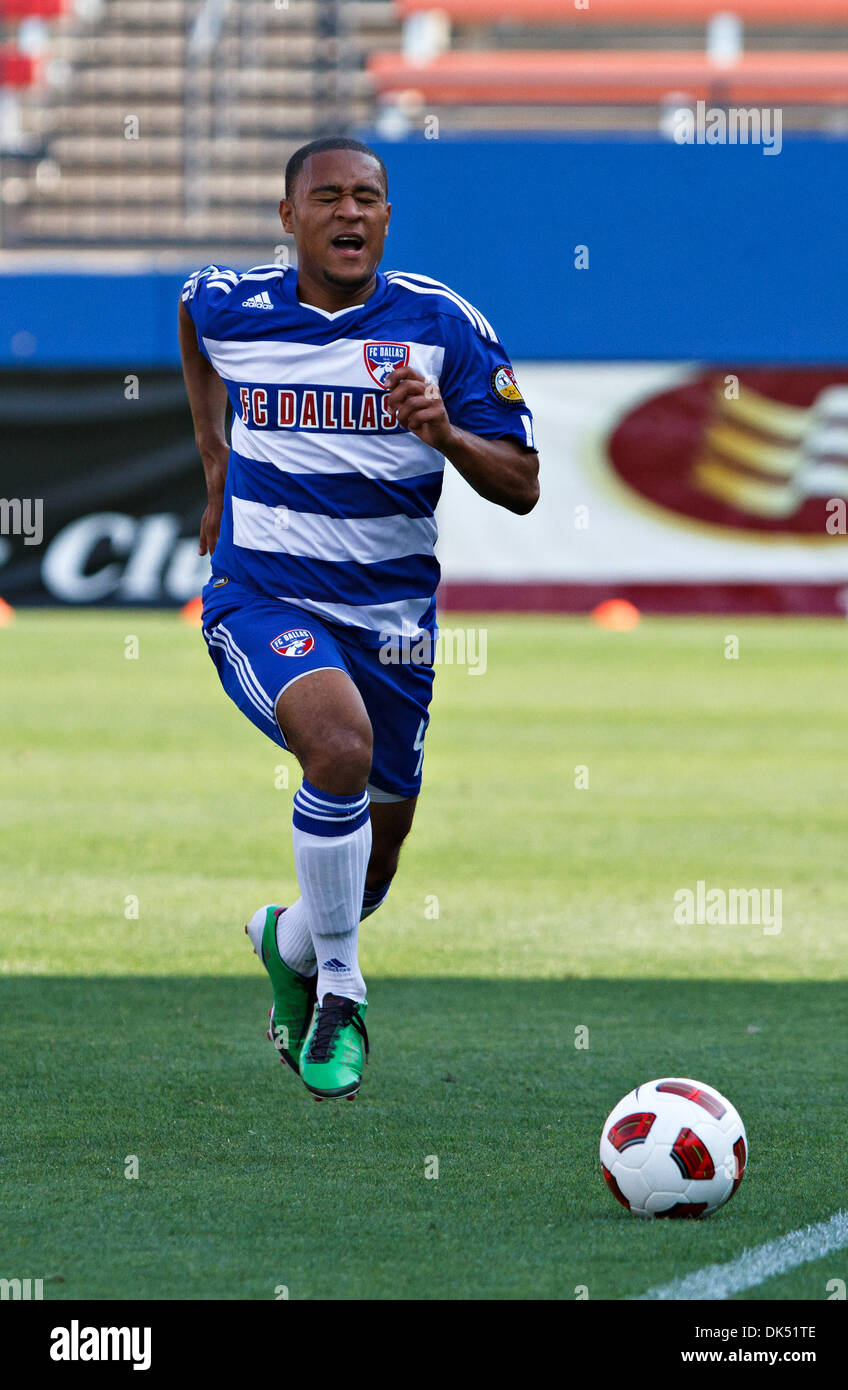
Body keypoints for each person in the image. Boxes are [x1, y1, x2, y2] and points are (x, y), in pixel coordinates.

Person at [179, 136, 539, 1101]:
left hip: (392, 626)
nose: (351, 214)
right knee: (336, 750)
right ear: (288, 216)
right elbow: (192, 316)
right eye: (328, 197)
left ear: (387, 215)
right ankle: (340, 989)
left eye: (369, 198)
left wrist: (445, 431)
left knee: (371, 866)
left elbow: (524, 487)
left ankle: (289, 940)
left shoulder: (443, 326)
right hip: (262, 597)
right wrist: (216, 469)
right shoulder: (233, 303)